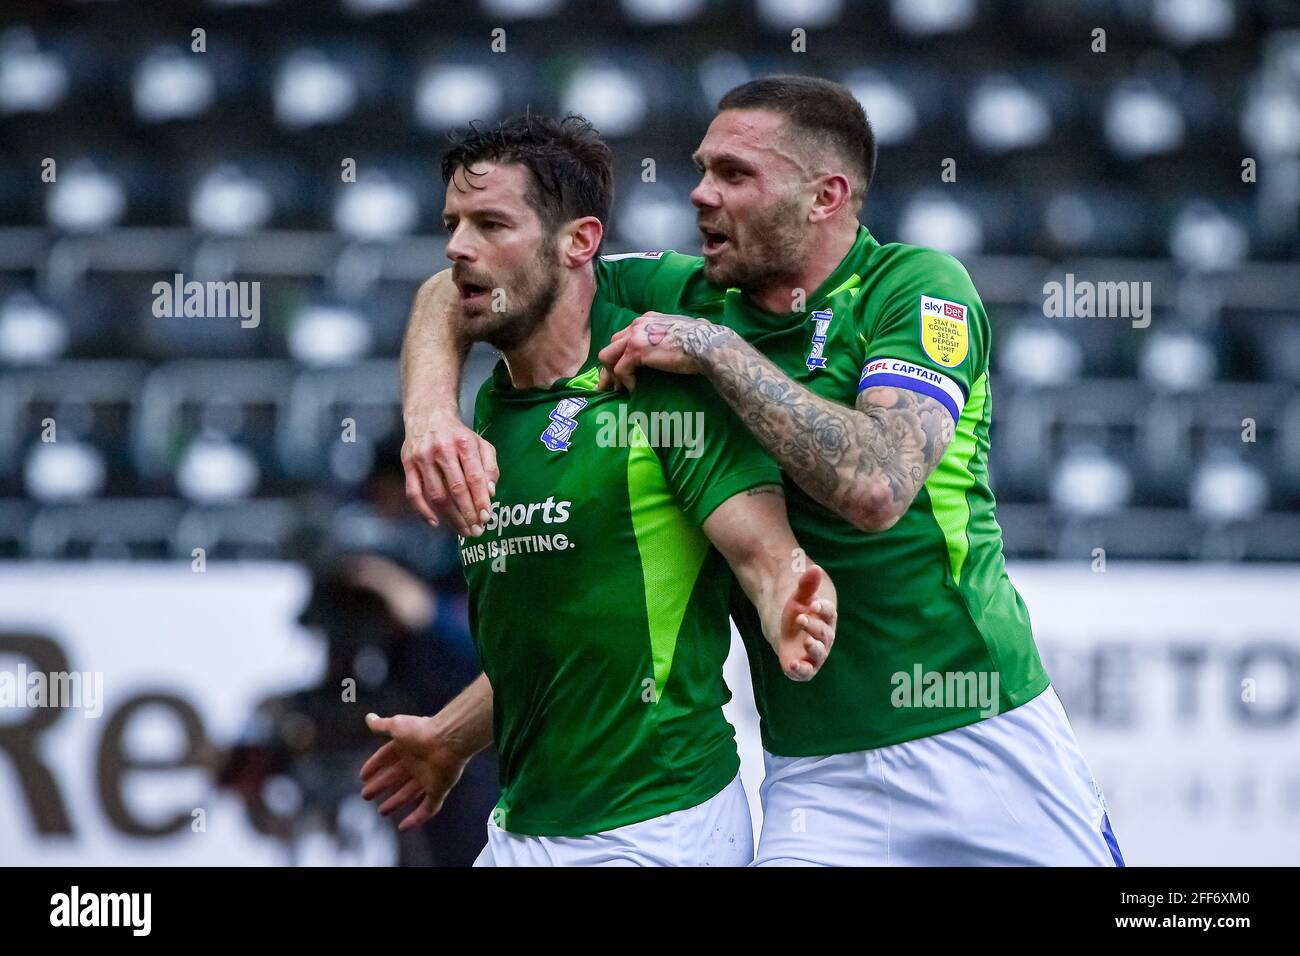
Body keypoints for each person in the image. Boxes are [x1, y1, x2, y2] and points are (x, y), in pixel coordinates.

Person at [396, 77, 1125, 867]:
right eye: (703, 169)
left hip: (979, 733)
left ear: (825, 195)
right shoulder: (694, 291)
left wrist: (715, 351)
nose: (701, 195)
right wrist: (432, 415)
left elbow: (876, 485)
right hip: (815, 775)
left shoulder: (913, 289)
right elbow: (469, 281)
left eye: (735, 175)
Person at [362, 113, 836, 866]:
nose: (458, 247)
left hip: (658, 826)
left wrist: (789, 598)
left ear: (578, 242)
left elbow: (762, 552)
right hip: (522, 827)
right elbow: (566, 644)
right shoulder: (493, 407)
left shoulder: (657, 381)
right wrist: (451, 737)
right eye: (452, 223)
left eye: (490, 223)